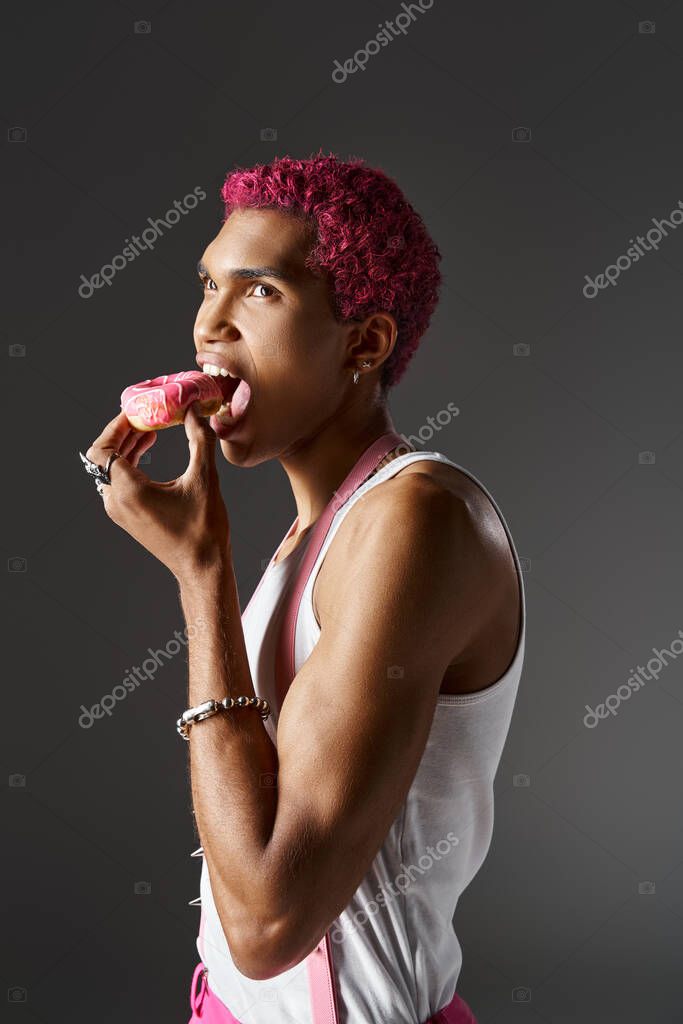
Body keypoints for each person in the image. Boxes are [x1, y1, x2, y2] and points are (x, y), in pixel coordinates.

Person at [82, 152, 525, 1024]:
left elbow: (268, 923)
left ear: (364, 343)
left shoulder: (416, 521)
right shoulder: (310, 537)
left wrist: (200, 575)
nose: (211, 326)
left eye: (260, 293)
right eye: (207, 286)